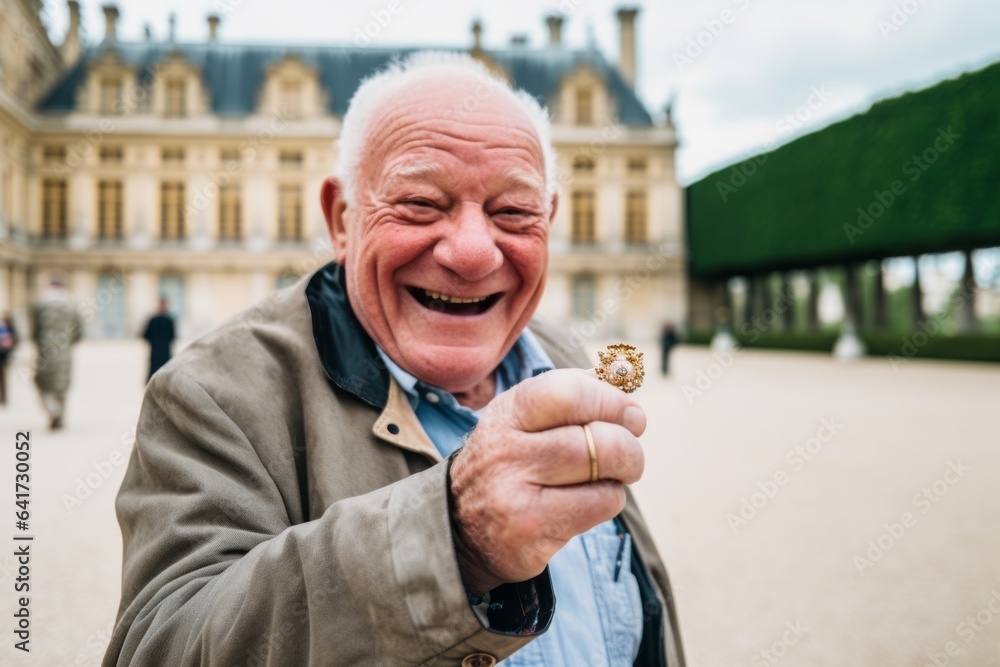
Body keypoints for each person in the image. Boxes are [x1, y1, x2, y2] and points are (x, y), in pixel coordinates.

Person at [105, 53, 684, 667]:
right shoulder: (212, 396)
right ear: (341, 219)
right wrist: (454, 537)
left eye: (513, 211)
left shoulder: (565, 357)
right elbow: (159, 647)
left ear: (550, 219)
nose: (471, 253)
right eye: (419, 203)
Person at [32, 277, 83, 429]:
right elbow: (78, 329)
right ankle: (59, 413)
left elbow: (35, 329)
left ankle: (52, 410)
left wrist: (38, 342)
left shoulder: (40, 304)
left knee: (43, 382)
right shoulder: (71, 304)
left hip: (45, 349)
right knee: (61, 383)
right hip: (64, 350)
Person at [141, 298, 176, 381]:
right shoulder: (154, 320)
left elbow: (172, 336)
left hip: (163, 351)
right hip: (157, 351)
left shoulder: (168, 320)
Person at [0, 312, 17, 405]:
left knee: (3, 377)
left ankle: (4, 398)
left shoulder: (9, 327)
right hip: (4, 354)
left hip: (4, 355)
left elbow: (15, 339)